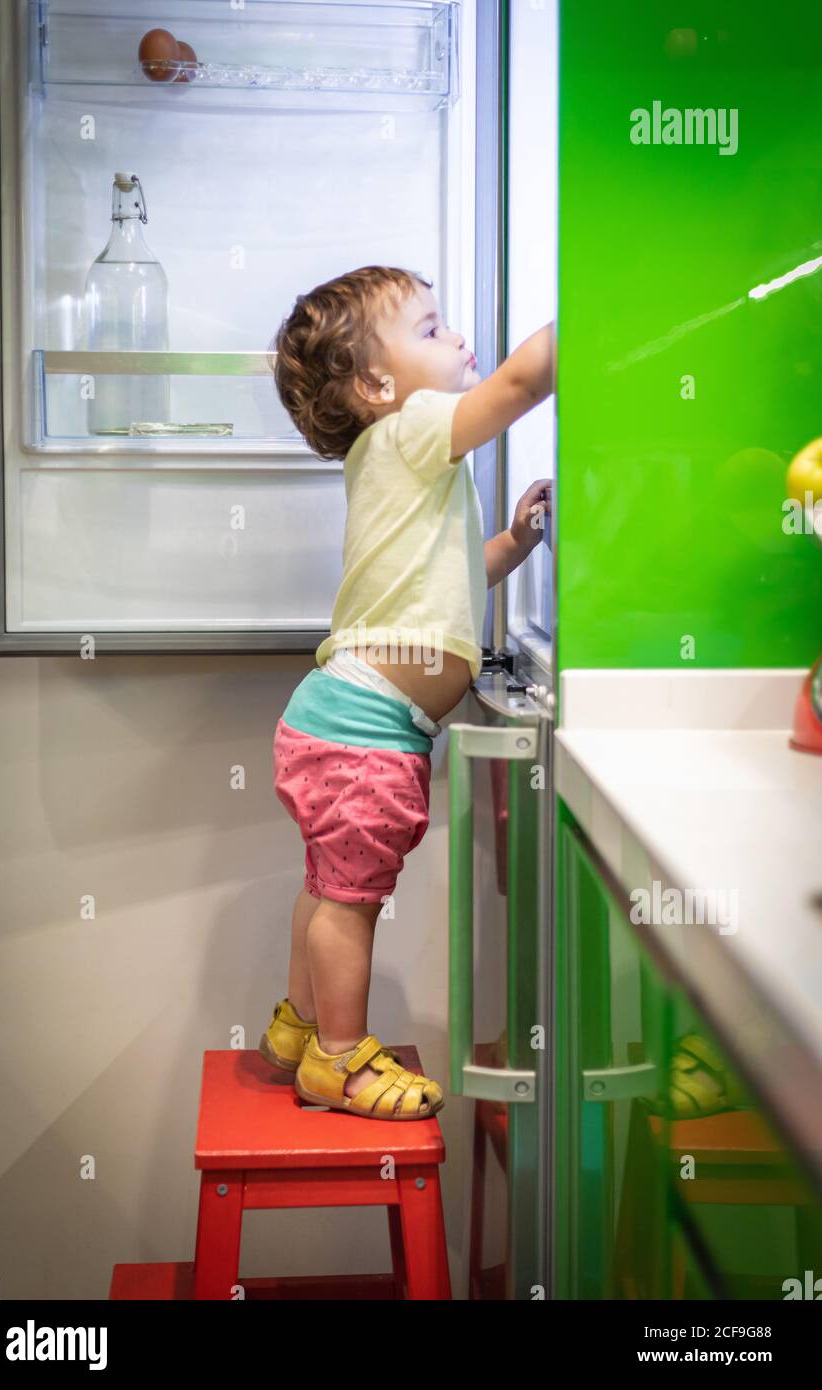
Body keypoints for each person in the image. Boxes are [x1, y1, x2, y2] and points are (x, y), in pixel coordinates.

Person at [262, 265, 554, 1119]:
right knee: (349, 905)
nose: (455, 337)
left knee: (326, 887)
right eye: (431, 330)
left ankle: (296, 1026)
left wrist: (510, 543)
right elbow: (517, 383)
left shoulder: (392, 458)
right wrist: (591, 312)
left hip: (338, 718)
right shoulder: (415, 427)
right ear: (379, 385)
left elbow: (449, 584)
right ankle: (339, 1062)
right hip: (364, 732)